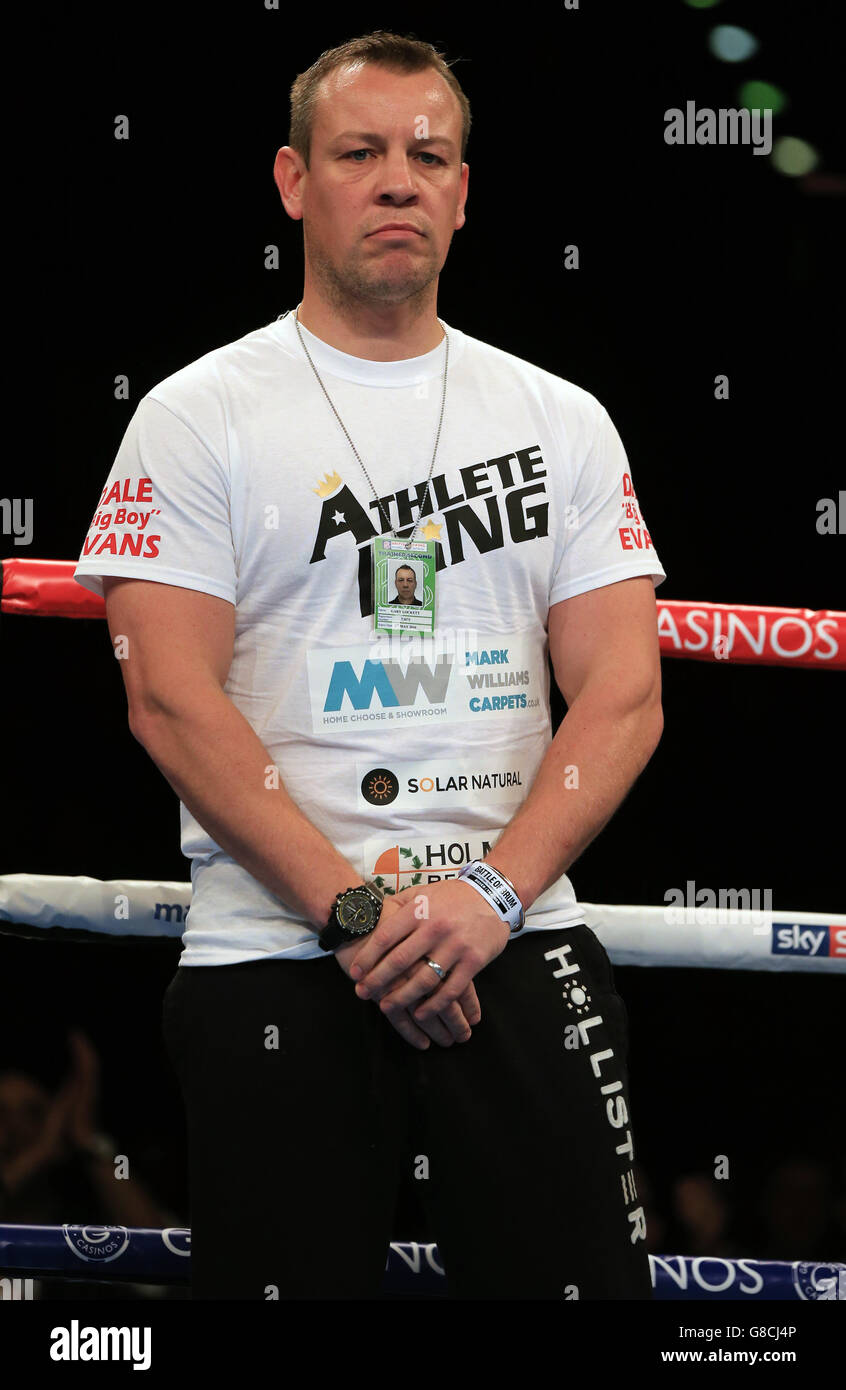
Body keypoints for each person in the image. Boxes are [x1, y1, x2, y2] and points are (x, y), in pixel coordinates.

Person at [73, 30, 667, 1300]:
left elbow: (623, 692)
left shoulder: (561, 418)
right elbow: (166, 697)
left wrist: (490, 898)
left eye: (427, 154)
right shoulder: (193, 413)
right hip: (276, 952)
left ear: (462, 192)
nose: (397, 179)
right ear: (294, 181)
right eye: (360, 152)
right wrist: (356, 917)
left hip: (514, 939)